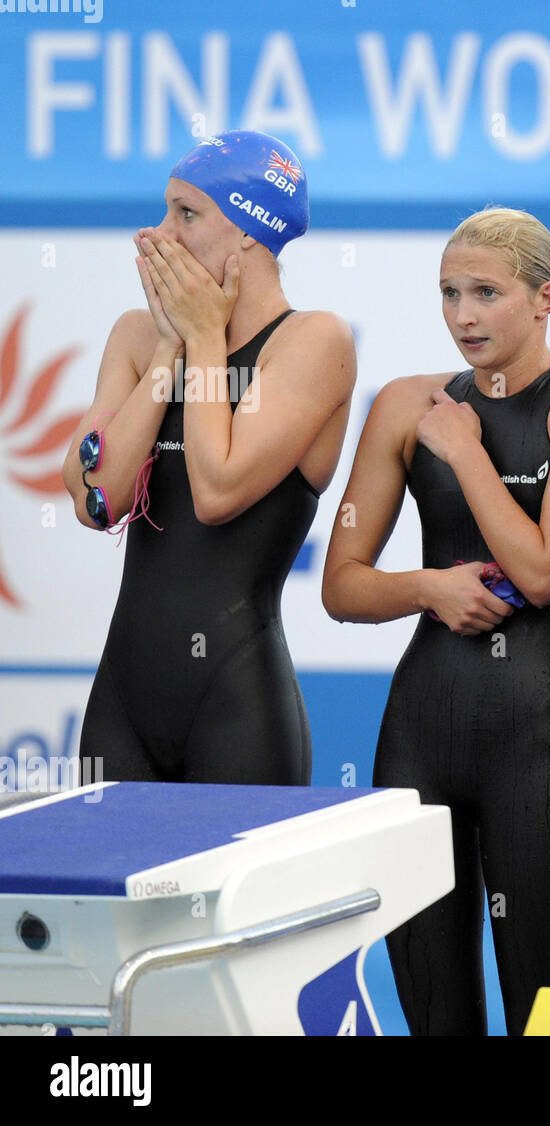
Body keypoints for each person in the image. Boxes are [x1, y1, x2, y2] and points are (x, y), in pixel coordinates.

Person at [321, 207, 550, 1036]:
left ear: (547, 299)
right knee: (435, 1022)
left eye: (487, 293)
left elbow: (542, 573)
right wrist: (430, 586)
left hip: (537, 744)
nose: (463, 315)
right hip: (418, 738)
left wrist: (464, 451)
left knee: (545, 1019)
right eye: (449, 293)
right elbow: (342, 588)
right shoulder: (404, 403)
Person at [63, 129, 356, 785]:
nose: (156, 234)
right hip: (121, 704)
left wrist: (202, 337)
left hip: (238, 705)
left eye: (186, 214)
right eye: (165, 209)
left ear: (249, 232)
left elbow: (218, 491)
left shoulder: (313, 341)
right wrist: (169, 352)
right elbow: (95, 499)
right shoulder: (139, 336)